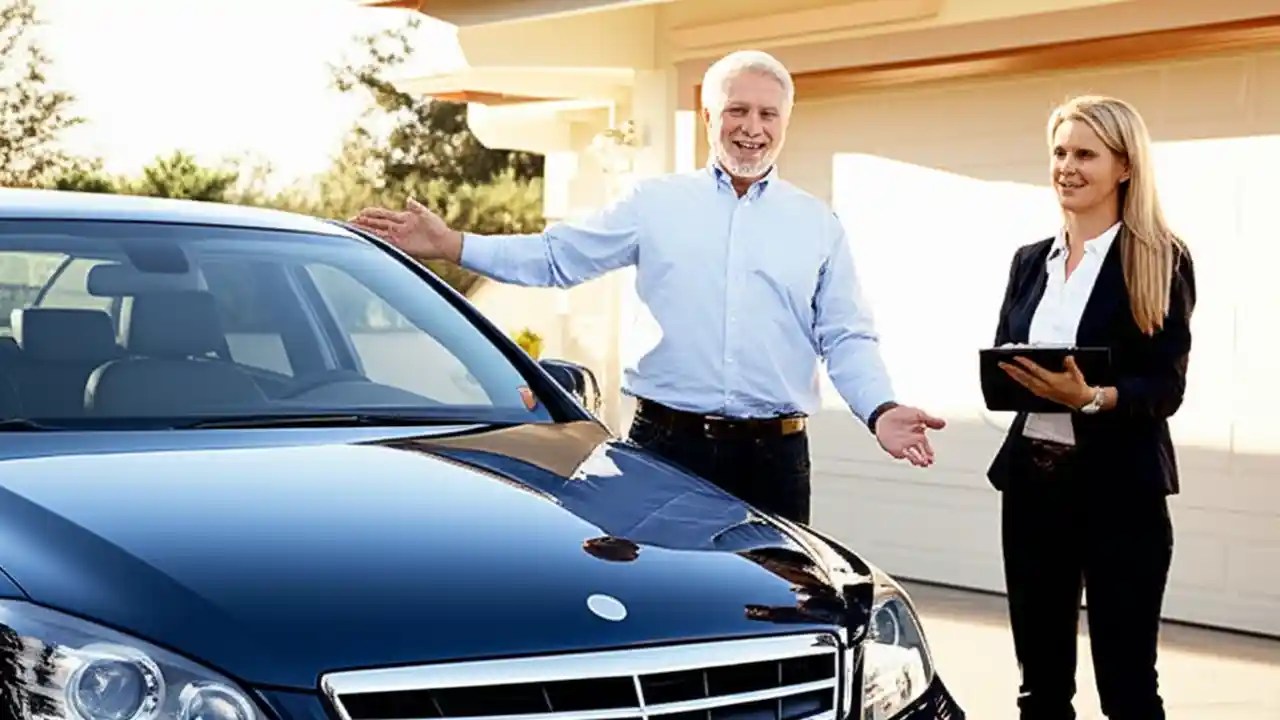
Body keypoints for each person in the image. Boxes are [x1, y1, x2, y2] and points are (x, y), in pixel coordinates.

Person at [349, 49, 945, 525]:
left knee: (775, 618)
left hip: (774, 459)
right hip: (665, 449)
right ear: (710, 117)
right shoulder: (656, 204)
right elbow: (559, 257)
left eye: (768, 115)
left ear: (786, 123)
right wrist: (455, 245)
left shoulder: (817, 224)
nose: (752, 129)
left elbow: (846, 336)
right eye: (737, 111)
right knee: (661, 614)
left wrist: (881, 409)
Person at [988, 94, 1195, 719]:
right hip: (1033, 487)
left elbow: (1166, 387)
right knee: (1040, 687)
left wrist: (1093, 398)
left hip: (1121, 493)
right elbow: (1004, 359)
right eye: (1059, 152)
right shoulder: (1030, 262)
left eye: (1086, 153)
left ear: (1124, 166)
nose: (1067, 167)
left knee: (1128, 686)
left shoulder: (1160, 259)